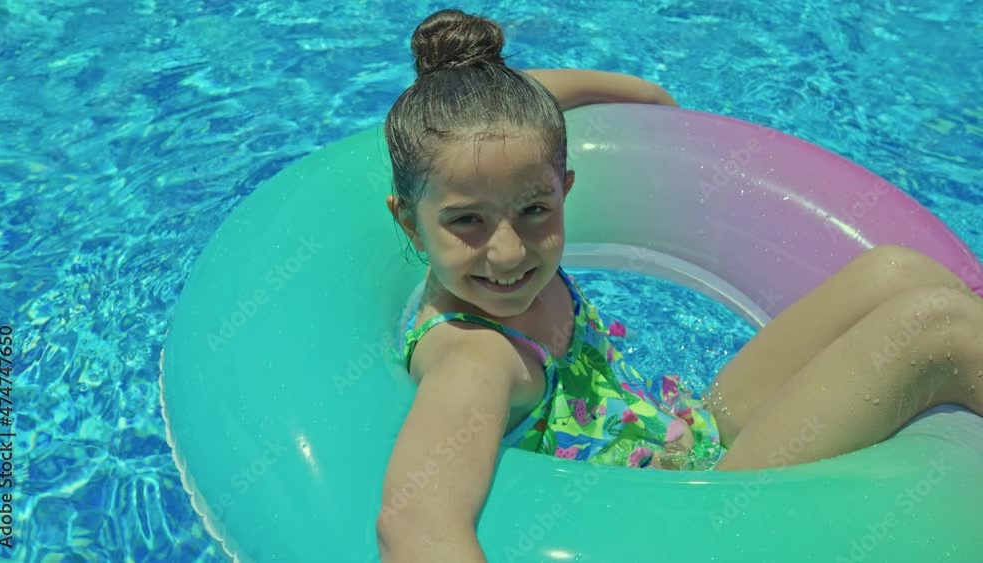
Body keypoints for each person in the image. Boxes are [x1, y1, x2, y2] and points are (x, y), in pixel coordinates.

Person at [376, 8, 983, 562]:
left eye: (535, 209)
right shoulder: (475, 358)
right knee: (939, 328)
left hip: (689, 435)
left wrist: (639, 94)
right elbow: (414, 523)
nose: (507, 249)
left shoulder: (491, 191)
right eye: (467, 221)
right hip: (700, 518)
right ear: (408, 221)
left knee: (897, 270)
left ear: (564, 187)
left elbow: (507, 109)